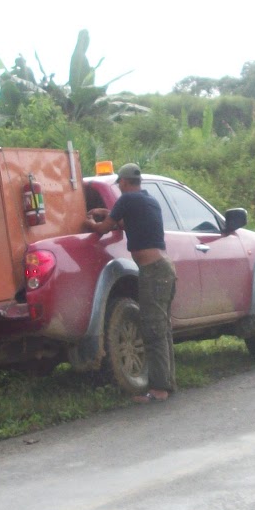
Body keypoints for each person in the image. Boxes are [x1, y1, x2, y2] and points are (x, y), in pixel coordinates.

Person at [86, 163, 176, 403]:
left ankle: (158, 390)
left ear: (124, 183)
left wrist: (91, 224)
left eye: (120, 183)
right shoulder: (149, 201)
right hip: (165, 269)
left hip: (153, 271)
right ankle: (167, 384)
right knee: (162, 328)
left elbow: (104, 229)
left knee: (153, 329)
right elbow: (126, 224)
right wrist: (110, 214)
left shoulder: (126, 201)